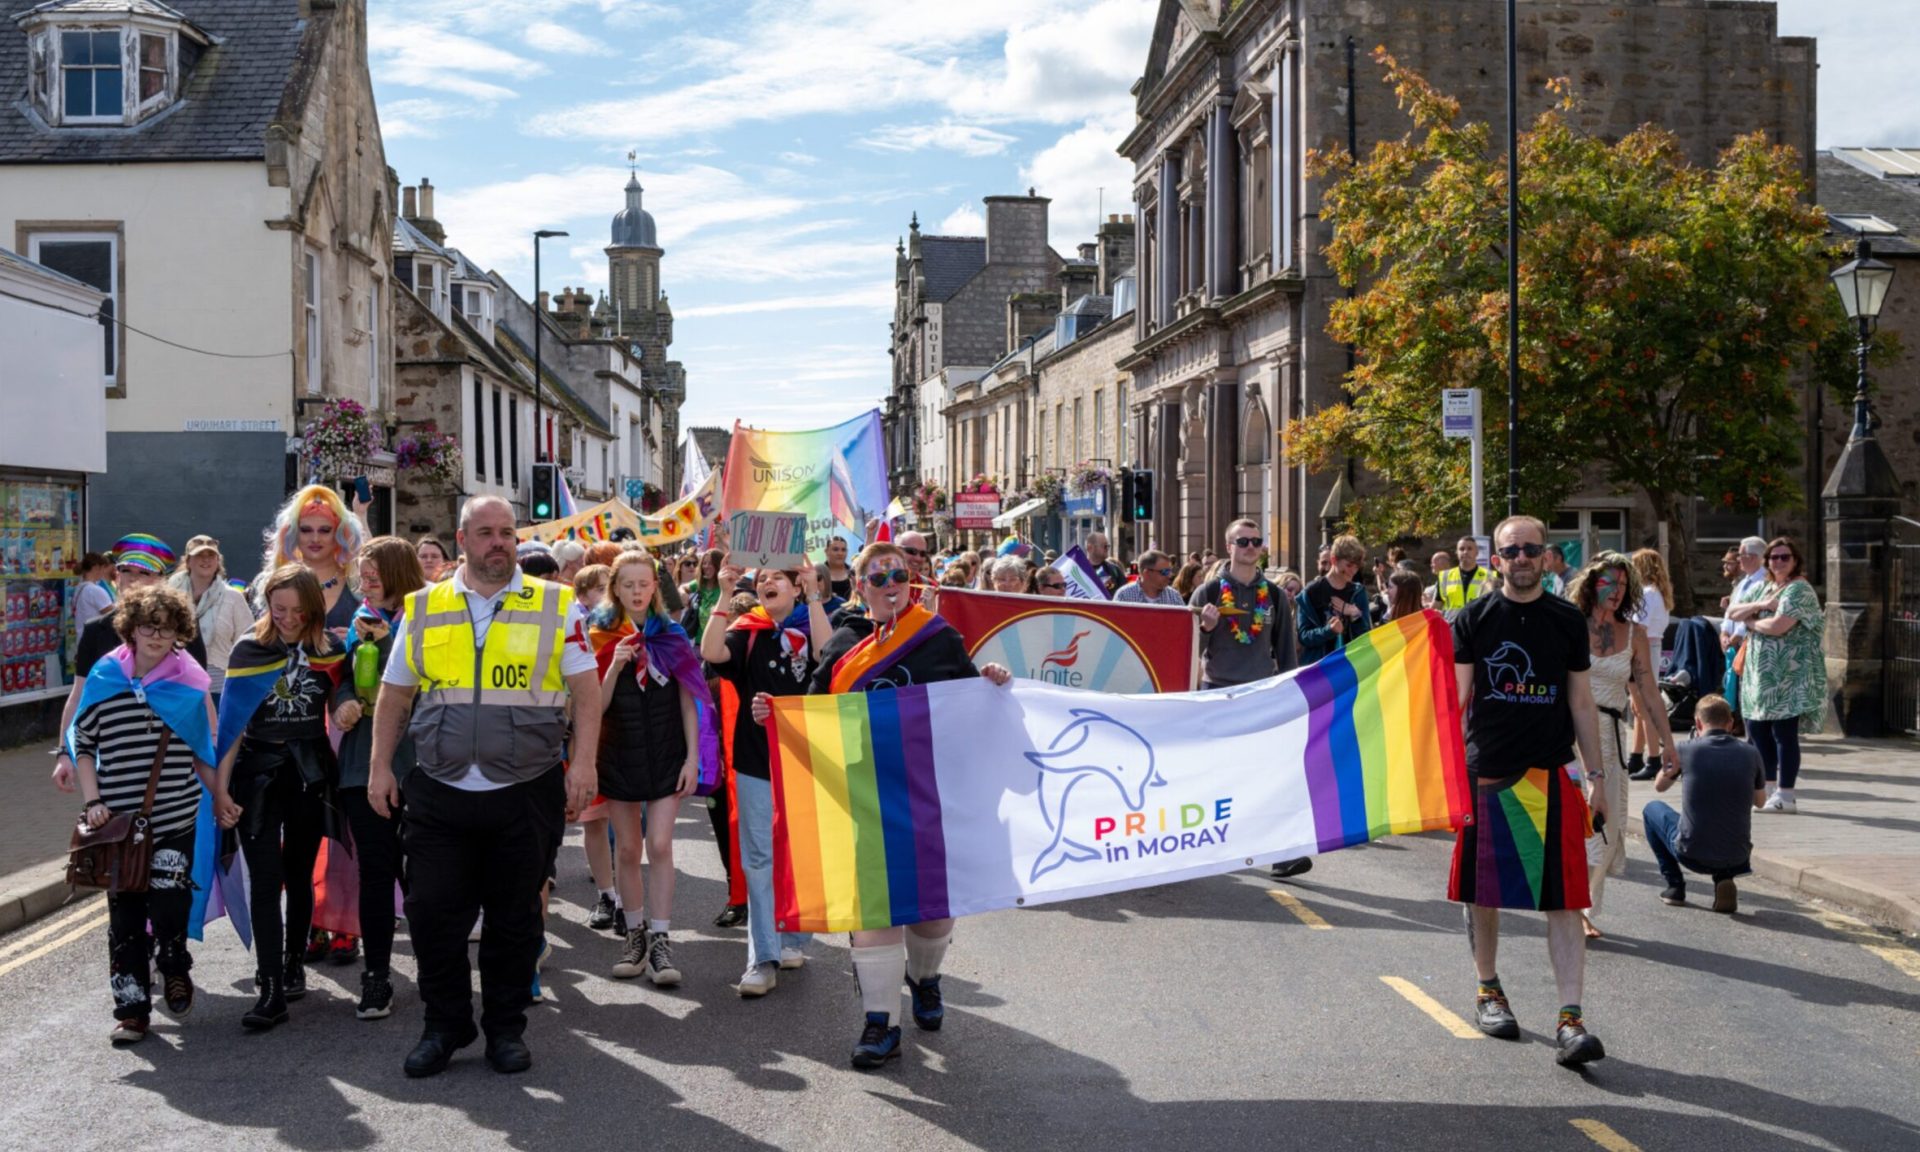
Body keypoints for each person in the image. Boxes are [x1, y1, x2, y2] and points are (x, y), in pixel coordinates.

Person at [368, 495, 600, 1078]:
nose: (498, 542)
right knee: (430, 914)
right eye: (486, 533)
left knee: (515, 919)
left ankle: (504, 1028)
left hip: (526, 787)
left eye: (507, 533)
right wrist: (378, 767)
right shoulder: (424, 605)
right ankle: (444, 1025)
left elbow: (588, 693)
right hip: (441, 788)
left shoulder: (557, 603)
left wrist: (585, 765)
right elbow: (395, 694)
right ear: (463, 537)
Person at [771, 541, 1011, 1068]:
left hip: (931, 791)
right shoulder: (843, 643)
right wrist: (780, 717)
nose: (889, 585)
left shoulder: (939, 637)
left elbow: (972, 706)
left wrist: (991, 681)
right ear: (860, 589)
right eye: (877, 579)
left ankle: (925, 979)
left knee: (931, 914)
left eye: (897, 575)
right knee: (875, 905)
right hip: (864, 792)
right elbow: (814, 711)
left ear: (911, 579)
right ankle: (880, 1023)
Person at [1448, 514, 1608, 1068]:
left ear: (1545, 556)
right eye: (1511, 550)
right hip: (1487, 773)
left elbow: (1582, 703)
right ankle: (1488, 990)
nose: (1521, 558)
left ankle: (1571, 1018)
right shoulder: (1472, 619)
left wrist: (1597, 777)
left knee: (1565, 899)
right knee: (1483, 891)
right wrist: (1445, 776)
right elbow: (1457, 703)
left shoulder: (1567, 620)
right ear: (1497, 558)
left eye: (1531, 550)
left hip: (1550, 774)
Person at [66, 585, 225, 1045]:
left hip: (175, 820)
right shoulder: (104, 679)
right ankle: (131, 1011)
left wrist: (221, 797)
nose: (156, 635)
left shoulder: (189, 684)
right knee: (126, 920)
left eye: (167, 628)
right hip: (117, 826)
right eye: (148, 626)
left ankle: (174, 961)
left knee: (170, 906)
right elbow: (85, 746)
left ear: (179, 633)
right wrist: (93, 802)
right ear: (131, 629)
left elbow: (202, 751)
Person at [212, 564, 343, 1031]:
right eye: (277, 607)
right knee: (265, 882)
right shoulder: (250, 649)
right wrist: (220, 790)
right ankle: (270, 987)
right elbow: (230, 727)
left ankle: (293, 965)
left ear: (312, 607)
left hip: (309, 776)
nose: (286, 618)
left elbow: (344, 702)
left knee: (300, 874)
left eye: (296, 610)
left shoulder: (331, 649)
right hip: (258, 776)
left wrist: (347, 703)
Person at [701, 561, 834, 999]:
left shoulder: (823, 619)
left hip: (808, 760)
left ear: (797, 585)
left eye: (778, 577)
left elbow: (827, 657)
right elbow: (712, 652)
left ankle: (794, 936)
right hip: (757, 760)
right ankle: (763, 957)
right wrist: (723, 595)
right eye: (761, 580)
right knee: (758, 857)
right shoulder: (749, 631)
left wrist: (815, 595)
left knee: (802, 852)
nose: (768, 583)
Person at [589, 552, 718, 986]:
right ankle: (636, 934)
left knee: (659, 844)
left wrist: (691, 759)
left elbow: (688, 698)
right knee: (627, 849)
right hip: (619, 754)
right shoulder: (601, 636)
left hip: (665, 754)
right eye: (628, 585)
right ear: (616, 589)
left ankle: (662, 939)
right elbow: (594, 707)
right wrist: (615, 669)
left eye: (644, 584)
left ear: (655, 588)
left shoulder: (673, 635)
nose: (638, 592)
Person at [330, 537, 426, 1021]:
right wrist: (342, 700)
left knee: (424, 873)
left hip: (419, 763)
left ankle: (433, 965)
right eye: (362, 574)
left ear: (397, 570)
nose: (365, 581)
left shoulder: (427, 614)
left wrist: (383, 638)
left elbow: (417, 679)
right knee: (375, 869)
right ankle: (377, 976)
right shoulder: (360, 621)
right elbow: (348, 677)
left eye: (373, 573)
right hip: (361, 764)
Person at [1566, 552, 1677, 938]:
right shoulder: (1570, 626)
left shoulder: (1635, 635)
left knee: (1606, 829)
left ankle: (1583, 903)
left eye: (1624, 586)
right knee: (1568, 824)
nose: (1616, 592)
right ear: (1592, 584)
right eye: (1609, 583)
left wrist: (1668, 744)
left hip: (1610, 738)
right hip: (1567, 735)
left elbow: (1648, 692)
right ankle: (1570, 905)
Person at [52, 537, 208, 794]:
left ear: (160, 579)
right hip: (114, 760)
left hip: (170, 760)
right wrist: (63, 753)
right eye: (126, 570)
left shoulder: (181, 628)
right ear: (116, 576)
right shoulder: (97, 631)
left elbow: (199, 697)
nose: (133, 579)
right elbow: (79, 695)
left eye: (144, 573)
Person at [1725, 537, 1824, 813]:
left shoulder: (1798, 590)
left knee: (1783, 733)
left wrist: (1752, 621)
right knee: (1757, 730)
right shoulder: (1767, 587)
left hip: (1788, 674)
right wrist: (1761, 605)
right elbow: (1732, 611)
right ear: (1767, 561)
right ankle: (1768, 788)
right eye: (1774, 557)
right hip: (1760, 674)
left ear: (1795, 561)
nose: (1779, 561)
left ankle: (1786, 794)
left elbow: (1779, 625)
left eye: (1785, 557)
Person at [1645, 694, 1766, 913]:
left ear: (1698, 723)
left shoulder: (1686, 749)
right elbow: (1760, 801)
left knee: (1651, 809)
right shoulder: (1751, 752)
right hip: (1738, 857)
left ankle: (1675, 886)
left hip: (1691, 854)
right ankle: (1723, 879)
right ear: (1730, 724)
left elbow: (1659, 787)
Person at [1191, 519, 1297, 691]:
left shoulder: (1276, 595)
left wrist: (1290, 692)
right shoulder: (1207, 592)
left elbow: (1287, 653)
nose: (1250, 547)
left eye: (1256, 542)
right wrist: (1206, 629)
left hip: (1262, 690)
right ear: (1228, 547)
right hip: (1217, 690)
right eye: (1242, 542)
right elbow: (1188, 651)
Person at [168, 536, 254, 703]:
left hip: (219, 687)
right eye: (200, 555)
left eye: (211, 555)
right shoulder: (170, 595)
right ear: (188, 561)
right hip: (177, 683)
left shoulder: (233, 597)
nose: (206, 560)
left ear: (217, 561)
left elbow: (248, 642)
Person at [1626, 549, 1675, 780]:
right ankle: (1636, 756)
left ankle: (1653, 758)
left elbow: (1639, 627)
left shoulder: (1647, 593)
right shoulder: (1657, 592)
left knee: (1643, 707)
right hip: (1650, 646)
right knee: (1639, 707)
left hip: (1642, 648)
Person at [1297, 534, 1374, 665]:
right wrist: (1329, 631)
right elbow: (1304, 636)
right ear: (1334, 560)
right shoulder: (1310, 592)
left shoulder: (1358, 592)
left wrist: (1355, 615)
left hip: (1350, 666)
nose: (1353, 571)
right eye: (1349, 565)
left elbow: (1365, 638)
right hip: (1319, 669)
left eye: (1356, 567)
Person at [1435, 535, 1493, 610]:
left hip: (1479, 621)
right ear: (1457, 552)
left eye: (1469, 549)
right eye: (1461, 549)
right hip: (1452, 621)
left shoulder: (1490, 576)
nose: (1465, 552)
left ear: (1477, 552)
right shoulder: (1445, 576)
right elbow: (1437, 605)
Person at [1115, 550, 1184, 606]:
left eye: (1170, 571)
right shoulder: (1124, 595)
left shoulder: (1174, 596)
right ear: (1147, 573)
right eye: (1165, 572)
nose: (1169, 575)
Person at [70, 551, 116, 633]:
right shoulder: (95, 590)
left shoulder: (79, 588)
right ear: (96, 568)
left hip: (82, 638)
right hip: (96, 641)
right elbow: (114, 614)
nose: (104, 571)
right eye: (103, 567)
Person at [1084, 531, 1125, 596]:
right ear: (1090, 548)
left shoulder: (1114, 570)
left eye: (1108, 546)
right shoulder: (1079, 569)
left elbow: (1125, 595)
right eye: (1104, 546)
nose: (1107, 549)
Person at [824, 535, 855, 600]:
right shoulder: (818, 574)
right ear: (826, 551)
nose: (840, 553)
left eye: (843, 550)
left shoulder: (854, 573)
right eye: (835, 549)